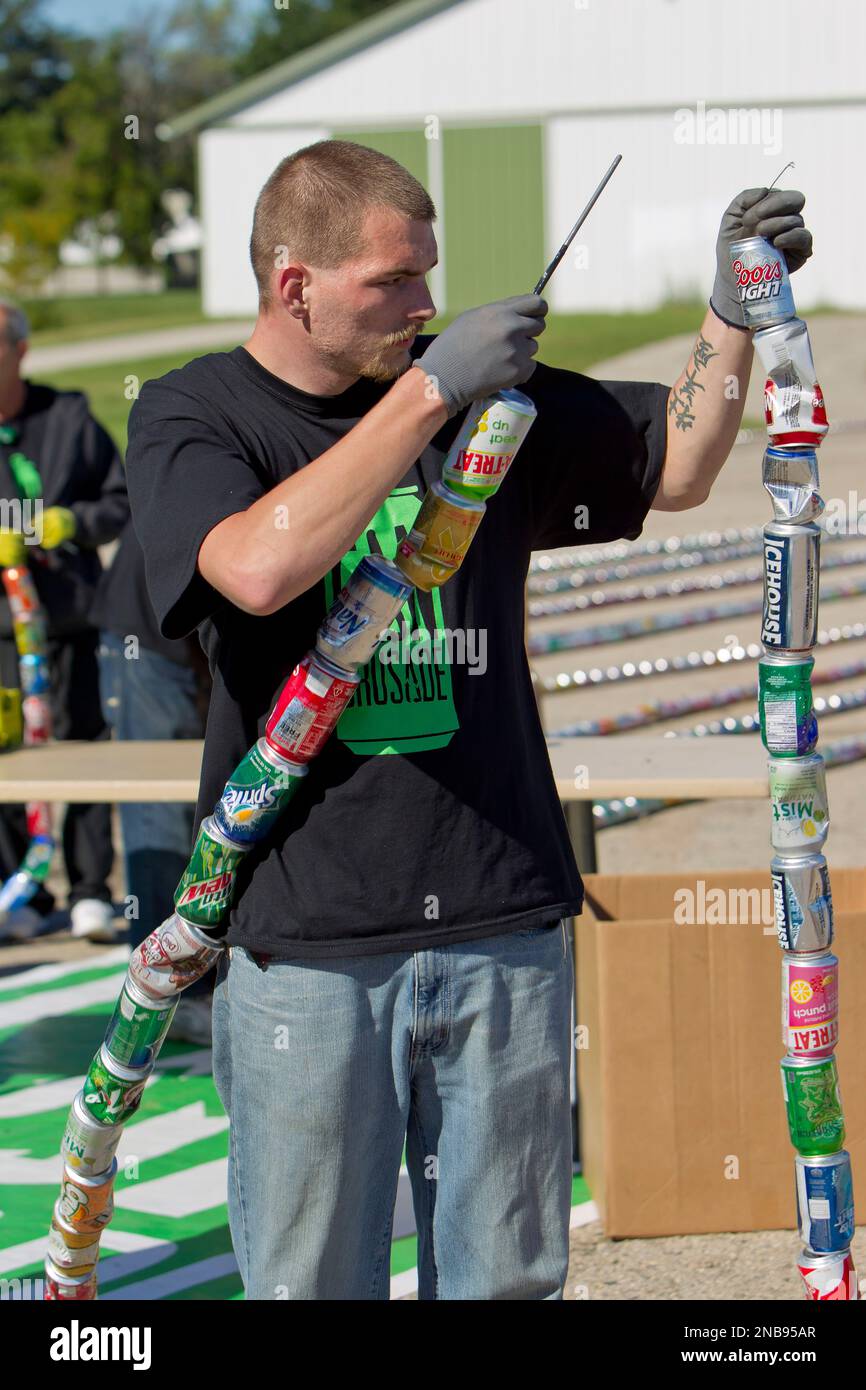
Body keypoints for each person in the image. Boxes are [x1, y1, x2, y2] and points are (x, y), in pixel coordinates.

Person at [125, 141, 812, 1299]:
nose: (426, 305)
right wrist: (429, 393)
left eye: (429, 274)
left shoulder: (493, 398)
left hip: (499, 911)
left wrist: (726, 312)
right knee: (308, 1281)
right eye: (391, 281)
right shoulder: (200, 412)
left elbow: (682, 465)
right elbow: (253, 569)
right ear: (294, 284)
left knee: (502, 1282)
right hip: (306, 937)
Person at [0, 299, 128, 942]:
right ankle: (14, 892)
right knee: (5, 756)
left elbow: (120, 501)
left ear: (19, 349)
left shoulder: (69, 418)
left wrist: (69, 523)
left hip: (69, 620)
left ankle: (89, 890)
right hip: (3, 632)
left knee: (81, 748)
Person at [92, 518, 213, 1043]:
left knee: (206, 812)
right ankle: (162, 998)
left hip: (195, 632)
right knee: (159, 813)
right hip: (150, 637)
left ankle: (200, 983)